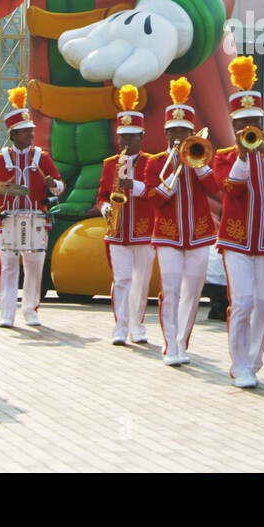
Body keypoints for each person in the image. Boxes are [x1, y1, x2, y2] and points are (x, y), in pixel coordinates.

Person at [213, 56, 264, 388]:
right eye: (242, 123)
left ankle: (254, 358)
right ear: (233, 126)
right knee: (244, 301)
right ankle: (239, 364)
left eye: (254, 123)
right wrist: (245, 158)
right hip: (235, 240)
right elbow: (230, 189)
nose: (248, 129)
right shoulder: (224, 158)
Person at [140, 77, 217, 365]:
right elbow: (153, 199)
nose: (178, 138)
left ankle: (182, 340)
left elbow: (214, 187)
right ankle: (170, 344)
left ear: (192, 133)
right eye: (174, 132)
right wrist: (173, 172)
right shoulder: (155, 162)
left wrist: (197, 165)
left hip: (198, 234)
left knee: (193, 290)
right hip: (167, 235)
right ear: (165, 133)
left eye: (184, 132)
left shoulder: (201, 157)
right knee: (170, 289)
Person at [0, 86, 64, 329]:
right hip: (8, 219)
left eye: (30, 131)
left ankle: (30, 310)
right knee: (7, 267)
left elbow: (60, 187)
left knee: (34, 266)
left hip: (35, 218)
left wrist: (53, 183)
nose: (30, 135)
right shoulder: (0, 159)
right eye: (25, 132)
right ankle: (7, 314)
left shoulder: (42, 157)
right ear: (13, 135)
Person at [97, 85, 154, 347]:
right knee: (121, 280)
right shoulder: (110, 164)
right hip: (117, 231)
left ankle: (138, 326)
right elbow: (101, 195)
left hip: (143, 230)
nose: (126, 142)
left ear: (141, 136)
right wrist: (105, 208)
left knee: (141, 282)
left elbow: (156, 193)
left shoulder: (151, 162)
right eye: (122, 137)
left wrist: (136, 187)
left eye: (131, 136)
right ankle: (120, 327)